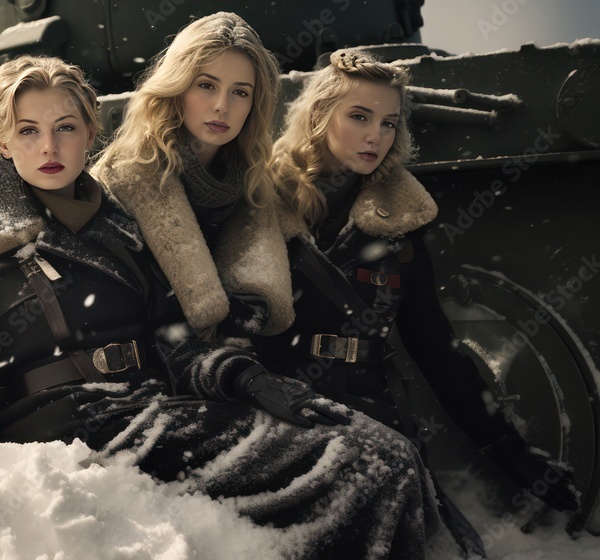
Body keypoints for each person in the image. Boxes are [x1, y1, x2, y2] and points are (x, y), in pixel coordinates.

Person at [0, 52, 440, 559]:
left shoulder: (121, 224)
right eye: (28, 130)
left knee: (383, 455)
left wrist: (247, 379)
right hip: (63, 430)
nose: (49, 145)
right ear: (1, 140)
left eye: (65, 127)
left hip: (147, 413)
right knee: (374, 461)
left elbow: (173, 339)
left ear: (91, 134)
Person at [244, 49, 580, 556]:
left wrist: (508, 448)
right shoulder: (258, 201)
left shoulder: (399, 224)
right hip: (274, 408)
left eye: (389, 123)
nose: (376, 136)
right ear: (318, 116)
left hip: (369, 414)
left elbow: (436, 347)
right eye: (360, 117)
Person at [92, 12, 291, 341]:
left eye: (240, 92)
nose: (221, 106)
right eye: (206, 85)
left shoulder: (256, 185)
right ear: (177, 87)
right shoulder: (122, 180)